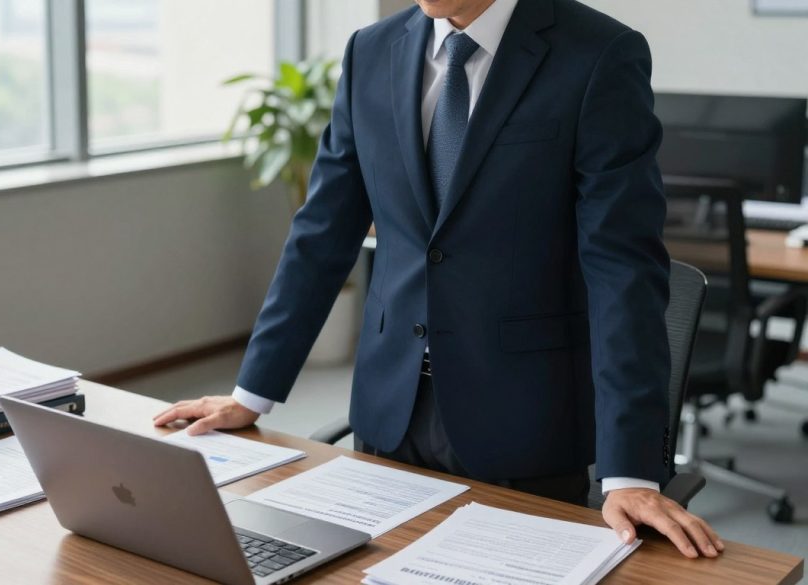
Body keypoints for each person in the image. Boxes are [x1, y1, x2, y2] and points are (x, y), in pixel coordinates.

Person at [154, 0, 723, 558]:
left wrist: (630, 474)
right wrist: (251, 393)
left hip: (522, 419)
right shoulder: (371, 51)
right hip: (388, 408)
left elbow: (621, 267)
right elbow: (322, 233)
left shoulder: (599, 54)